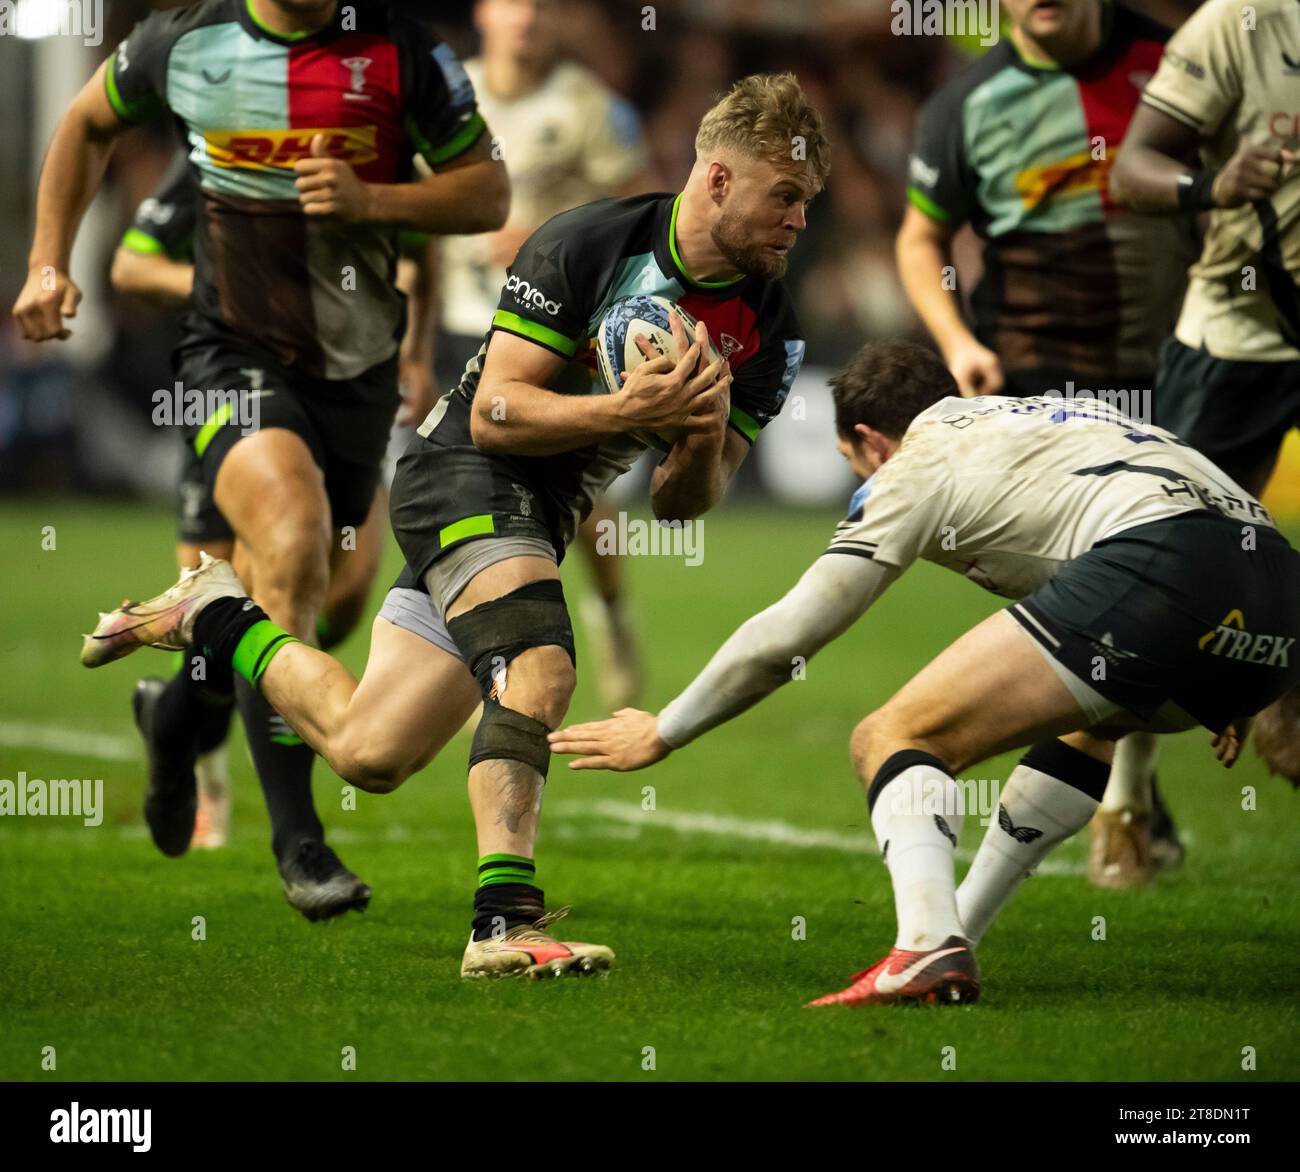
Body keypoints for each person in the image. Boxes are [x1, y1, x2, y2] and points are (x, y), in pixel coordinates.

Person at [80, 72, 826, 980]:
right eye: (783, 196)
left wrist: (701, 438)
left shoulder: (771, 327)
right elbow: (497, 412)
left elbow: (683, 502)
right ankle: (502, 925)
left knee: (369, 751)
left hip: (541, 512)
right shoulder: (588, 242)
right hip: (463, 472)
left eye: (807, 201)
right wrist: (626, 410)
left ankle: (215, 611)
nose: (796, 220)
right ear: (715, 180)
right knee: (540, 664)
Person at [547, 340, 1300, 1006]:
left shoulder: (917, 464)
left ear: (871, 441)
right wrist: (1225, 653)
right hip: (1271, 595)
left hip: (1165, 574)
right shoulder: (1040, 418)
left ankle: (925, 948)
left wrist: (666, 730)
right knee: (1095, 714)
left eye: (851, 464)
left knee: (891, 736)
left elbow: (789, 636)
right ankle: (958, 932)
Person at [13, 0, 509, 920]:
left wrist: (376, 202)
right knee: (292, 540)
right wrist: (49, 260)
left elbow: (486, 191)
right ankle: (300, 841)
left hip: (355, 379)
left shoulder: (401, 52)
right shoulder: (183, 37)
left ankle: (177, 718)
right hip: (227, 359)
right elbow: (86, 122)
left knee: (318, 596)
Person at [896, 0, 1198, 883]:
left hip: (1171, 374)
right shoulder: (967, 102)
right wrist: (958, 344)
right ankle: (1126, 797)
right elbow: (921, 238)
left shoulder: (1175, 61)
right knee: (1099, 602)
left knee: (1148, 595)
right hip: (1036, 392)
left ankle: (1127, 797)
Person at [112, 150, 439, 848]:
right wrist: (231, 288)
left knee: (323, 609)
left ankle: (170, 719)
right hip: (238, 392)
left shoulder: (379, 145)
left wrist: (414, 351)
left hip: (345, 398)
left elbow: (419, 254)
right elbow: (131, 266)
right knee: (250, 608)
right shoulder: (221, 141)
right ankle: (251, 809)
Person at [437, 0, 660, 709]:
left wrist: (546, 237)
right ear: (484, 13)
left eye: (539, 6)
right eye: (512, 3)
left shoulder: (590, 106)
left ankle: (611, 612)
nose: (525, 18)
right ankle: (491, 664)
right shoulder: (447, 93)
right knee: (462, 500)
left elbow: (640, 208)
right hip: (461, 321)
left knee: (579, 508)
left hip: (557, 333)